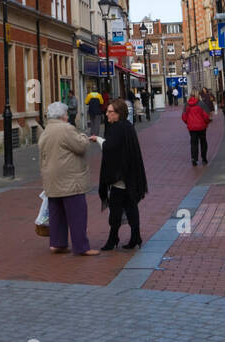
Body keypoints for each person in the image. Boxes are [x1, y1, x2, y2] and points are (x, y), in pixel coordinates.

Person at [38, 102, 99, 256]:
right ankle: (82, 247)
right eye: (66, 113)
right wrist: (85, 137)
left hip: (51, 179)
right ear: (63, 115)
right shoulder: (66, 129)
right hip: (70, 179)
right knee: (77, 214)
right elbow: (80, 146)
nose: (67, 116)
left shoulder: (45, 131)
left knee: (56, 214)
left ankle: (57, 244)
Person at [91, 99, 147, 250]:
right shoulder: (127, 127)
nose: (107, 114)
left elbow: (110, 148)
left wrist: (97, 139)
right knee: (130, 207)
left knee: (117, 209)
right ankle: (134, 237)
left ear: (118, 114)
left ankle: (114, 238)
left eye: (110, 112)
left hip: (121, 177)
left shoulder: (118, 128)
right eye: (107, 111)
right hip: (128, 176)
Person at [182, 92, 212, 167]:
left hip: (192, 128)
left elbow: (184, 117)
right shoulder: (201, 104)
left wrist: (188, 123)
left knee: (193, 143)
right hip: (201, 127)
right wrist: (207, 122)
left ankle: (194, 158)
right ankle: (204, 158)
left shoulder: (186, 105)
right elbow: (206, 116)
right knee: (203, 142)